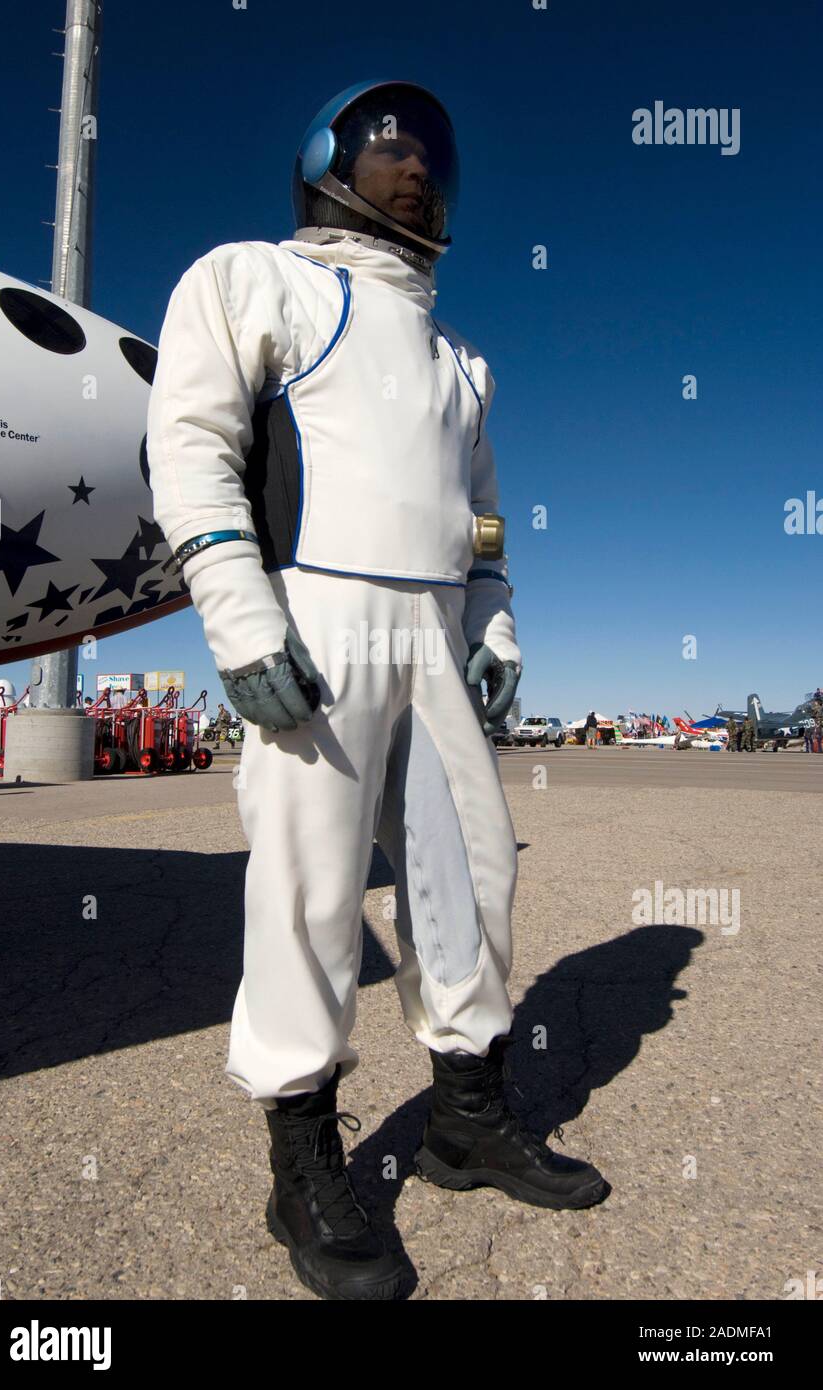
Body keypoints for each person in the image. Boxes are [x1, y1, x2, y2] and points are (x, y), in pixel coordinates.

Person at [148, 80, 606, 1302]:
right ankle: (300, 1163)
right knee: (307, 886)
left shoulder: (463, 365)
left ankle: (464, 1118)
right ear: (329, 159)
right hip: (314, 618)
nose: (416, 168)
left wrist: (492, 622)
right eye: (389, 144)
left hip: (434, 630)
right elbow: (188, 446)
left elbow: (488, 522)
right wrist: (241, 617)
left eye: (431, 151)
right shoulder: (252, 281)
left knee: (469, 874)